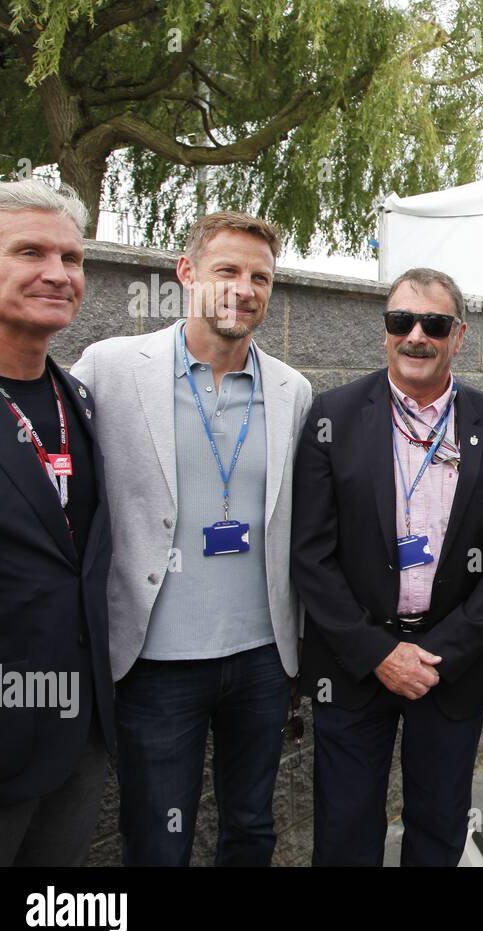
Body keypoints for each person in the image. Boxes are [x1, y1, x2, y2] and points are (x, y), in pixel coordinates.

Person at [71, 211, 312, 866]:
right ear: (187, 273)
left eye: (260, 276)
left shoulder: (294, 391)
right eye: (227, 270)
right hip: (155, 665)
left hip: (264, 660)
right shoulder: (111, 369)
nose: (244, 288)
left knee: (251, 828)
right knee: (157, 839)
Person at [291, 267, 483, 867]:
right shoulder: (332, 417)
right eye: (402, 321)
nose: (416, 335)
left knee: (437, 828)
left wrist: (438, 654)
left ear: (460, 336)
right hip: (353, 667)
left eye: (435, 324)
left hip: (451, 671)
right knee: (345, 833)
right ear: (385, 332)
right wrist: (379, 654)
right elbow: (310, 553)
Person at [0, 180, 114, 866]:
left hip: (76, 738)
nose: (58, 274)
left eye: (72, 257)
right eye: (30, 251)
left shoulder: (78, 400)